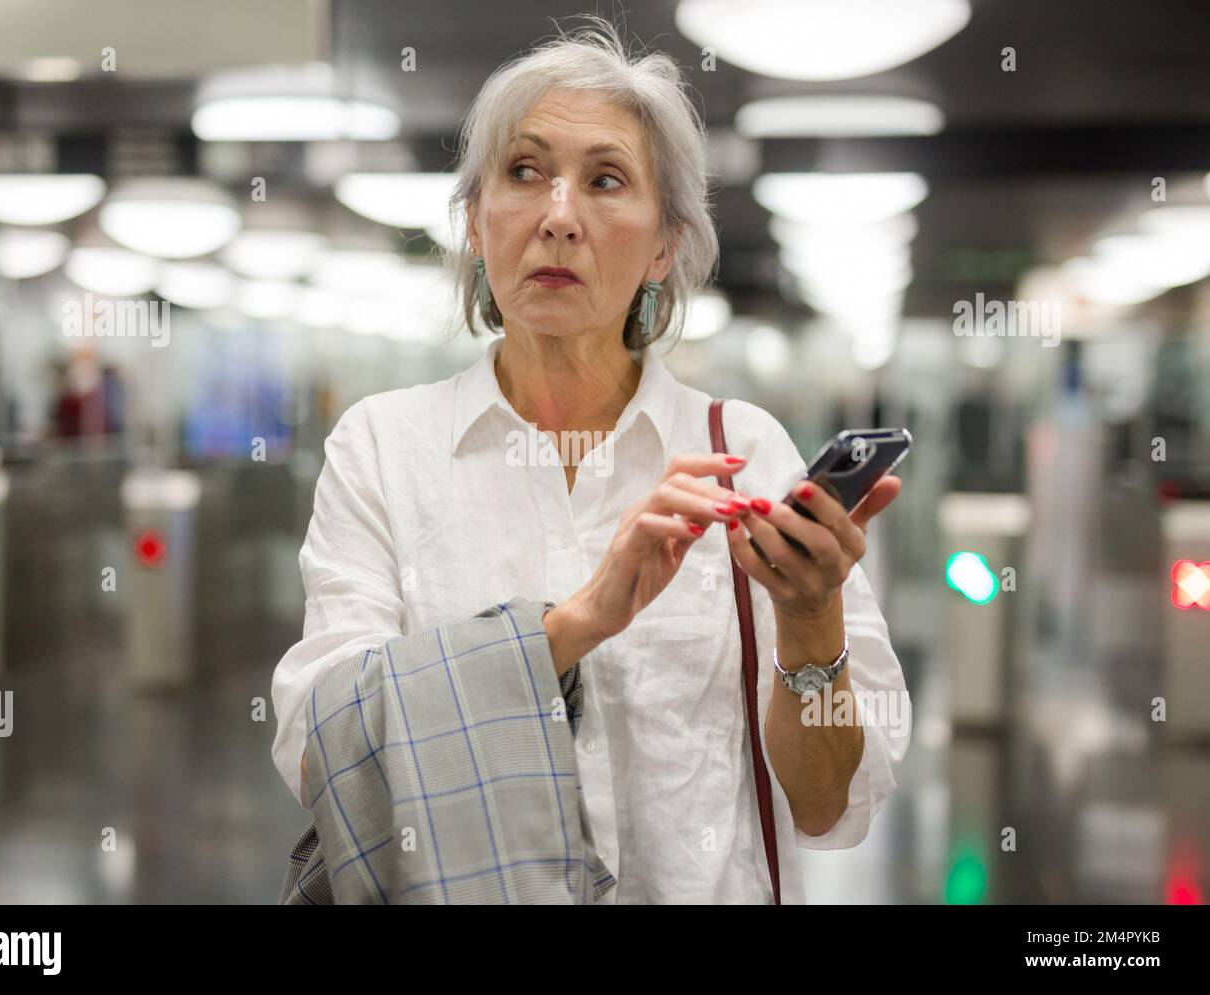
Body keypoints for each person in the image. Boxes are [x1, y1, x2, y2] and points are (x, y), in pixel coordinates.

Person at [271, 16, 909, 904]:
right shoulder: (384, 448)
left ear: (662, 248)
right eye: (524, 173)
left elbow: (828, 801)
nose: (559, 217)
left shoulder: (744, 452)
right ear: (474, 224)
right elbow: (321, 748)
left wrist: (811, 623)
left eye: (605, 180)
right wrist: (574, 626)